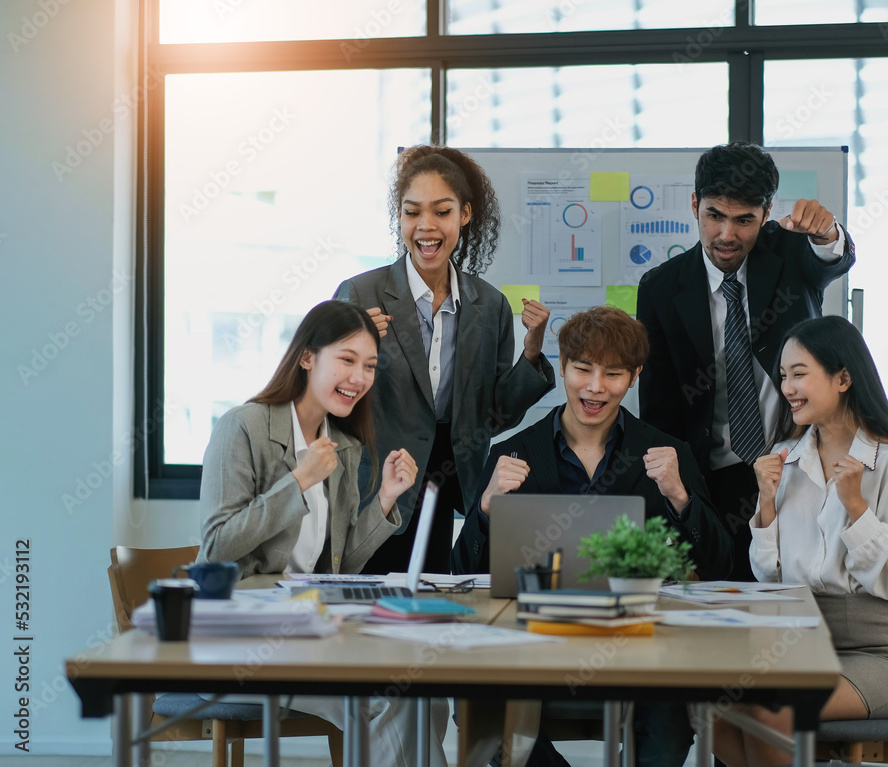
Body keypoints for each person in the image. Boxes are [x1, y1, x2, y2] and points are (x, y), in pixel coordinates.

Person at [453, 305, 733, 767]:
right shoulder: (512, 453)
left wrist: (681, 497)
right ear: (562, 368)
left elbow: (719, 565)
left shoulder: (668, 455)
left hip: (641, 649)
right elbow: (463, 574)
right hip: (531, 645)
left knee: (673, 709)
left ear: (635, 376)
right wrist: (485, 508)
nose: (596, 387)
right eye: (582, 369)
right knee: (479, 705)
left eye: (614, 374)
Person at [198, 299, 450, 767]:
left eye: (370, 366)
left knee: (427, 691)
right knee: (389, 698)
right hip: (246, 637)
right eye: (347, 360)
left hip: (306, 628)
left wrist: (387, 499)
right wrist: (298, 480)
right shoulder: (243, 427)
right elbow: (215, 547)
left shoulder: (343, 443)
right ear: (307, 357)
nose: (359, 378)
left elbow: (342, 565)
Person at [712, 315, 888, 767]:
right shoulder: (785, 459)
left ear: (843, 378)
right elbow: (771, 576)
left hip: (882, 654)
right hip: (801, 642)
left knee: (771, 710)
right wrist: (766, 506)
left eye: (799, 374)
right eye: (783, 376)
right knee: (718, 707)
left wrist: (856, 508)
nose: (786, 387)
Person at [636, 141, 856, 581]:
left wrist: (829, 234)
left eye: (744, 221)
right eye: (714, 215)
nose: (726, 235)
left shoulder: (791, 252)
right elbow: (660, 409)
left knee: (793, 593)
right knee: (716, 605)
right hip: (711, 479)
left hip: (795, 467)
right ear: (695, 204)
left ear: (767, 212)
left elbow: (833, 259)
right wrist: (677, 499)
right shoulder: (660, 287)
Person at [335, 145, 555, 574]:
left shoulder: (488, 304)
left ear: (465, 215)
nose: (425, 227)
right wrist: (353, 350)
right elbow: (330, 396)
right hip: (376, 480)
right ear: (399, 217)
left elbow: (494, 415)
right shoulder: (361, 294)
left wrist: (532, 351)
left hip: (445, 480)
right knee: (367, 609)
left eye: (441, 211)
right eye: (412, 212)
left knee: (426, 607)